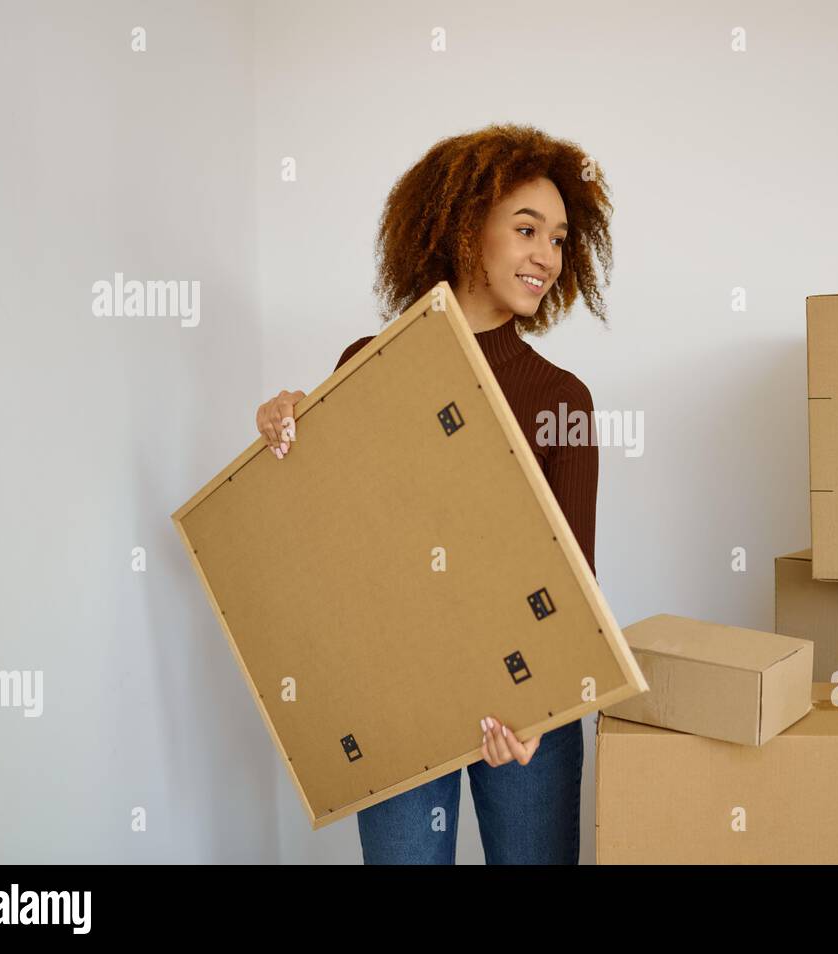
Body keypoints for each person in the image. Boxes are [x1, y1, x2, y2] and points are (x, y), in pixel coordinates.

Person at [253, 124, 614, 863]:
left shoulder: (562, 398)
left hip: (527, 701)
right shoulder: (369, 365)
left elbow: (577, 579)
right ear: (460, 225)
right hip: (399, 690)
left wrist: (545, 707)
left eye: (558, 237)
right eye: (525, 229)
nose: (546, 254)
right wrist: (288, 434)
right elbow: (337, 537)